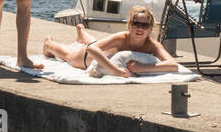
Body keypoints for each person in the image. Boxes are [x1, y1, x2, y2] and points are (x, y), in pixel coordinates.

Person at [42, 6, 179, 78]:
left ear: (149, 29)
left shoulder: (152, 44)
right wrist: (115, 70)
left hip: (106, 50)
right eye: (136, 24)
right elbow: (92, 50)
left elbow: (173, 65)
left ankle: (82, 34)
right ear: (129, 26)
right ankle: (48, 44)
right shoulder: (121, 37)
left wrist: (142, 68)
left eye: (144, 26)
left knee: (97, 42)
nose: (139, 28)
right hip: (91, 57)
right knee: (69, 56)